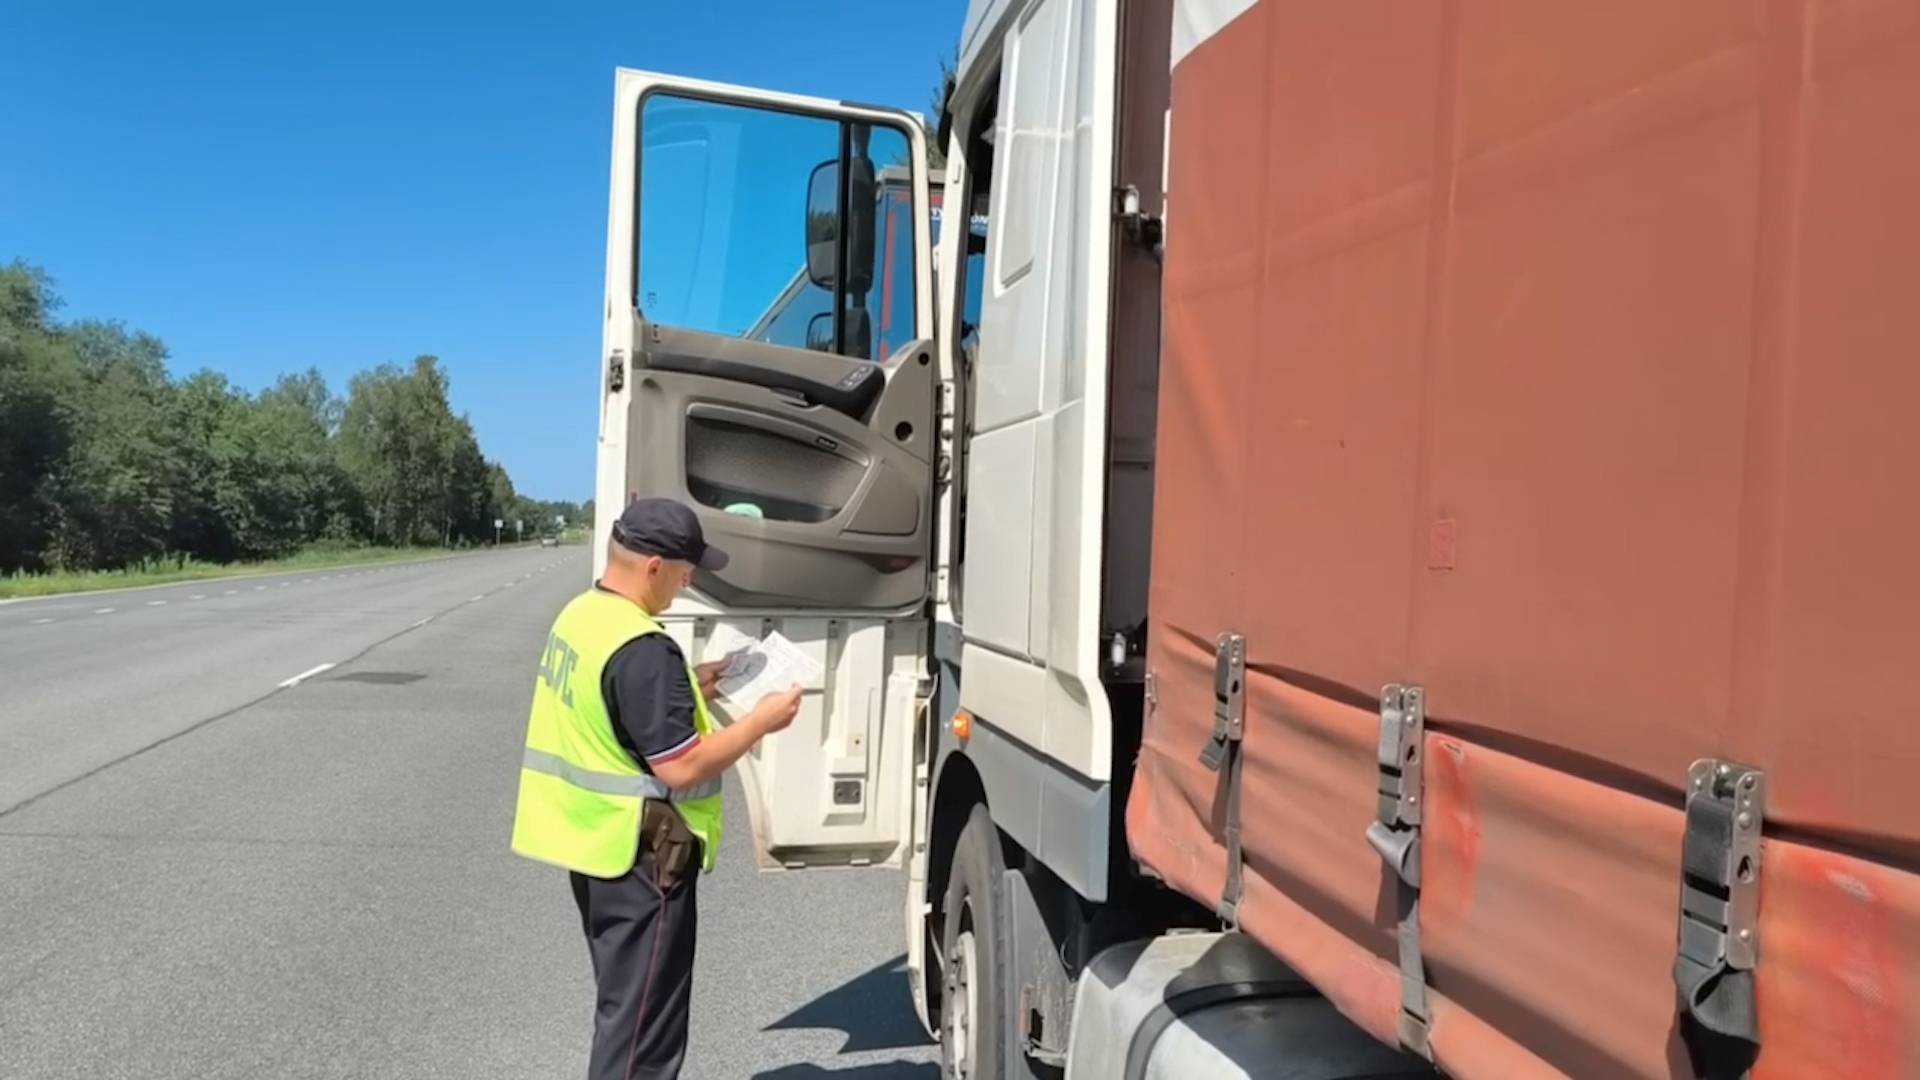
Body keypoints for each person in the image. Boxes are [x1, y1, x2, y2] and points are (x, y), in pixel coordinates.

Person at [511, 497, 802, 1080]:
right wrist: (760, 722)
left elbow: (615, 707)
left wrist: (695, 683)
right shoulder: (644, 649)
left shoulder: (584, 616)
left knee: (623, 1013)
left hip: (594, 847)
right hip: (642, 861)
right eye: (685, 570)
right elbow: (681, 766)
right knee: (643, 1039)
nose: (688, 582)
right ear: (652, 567)